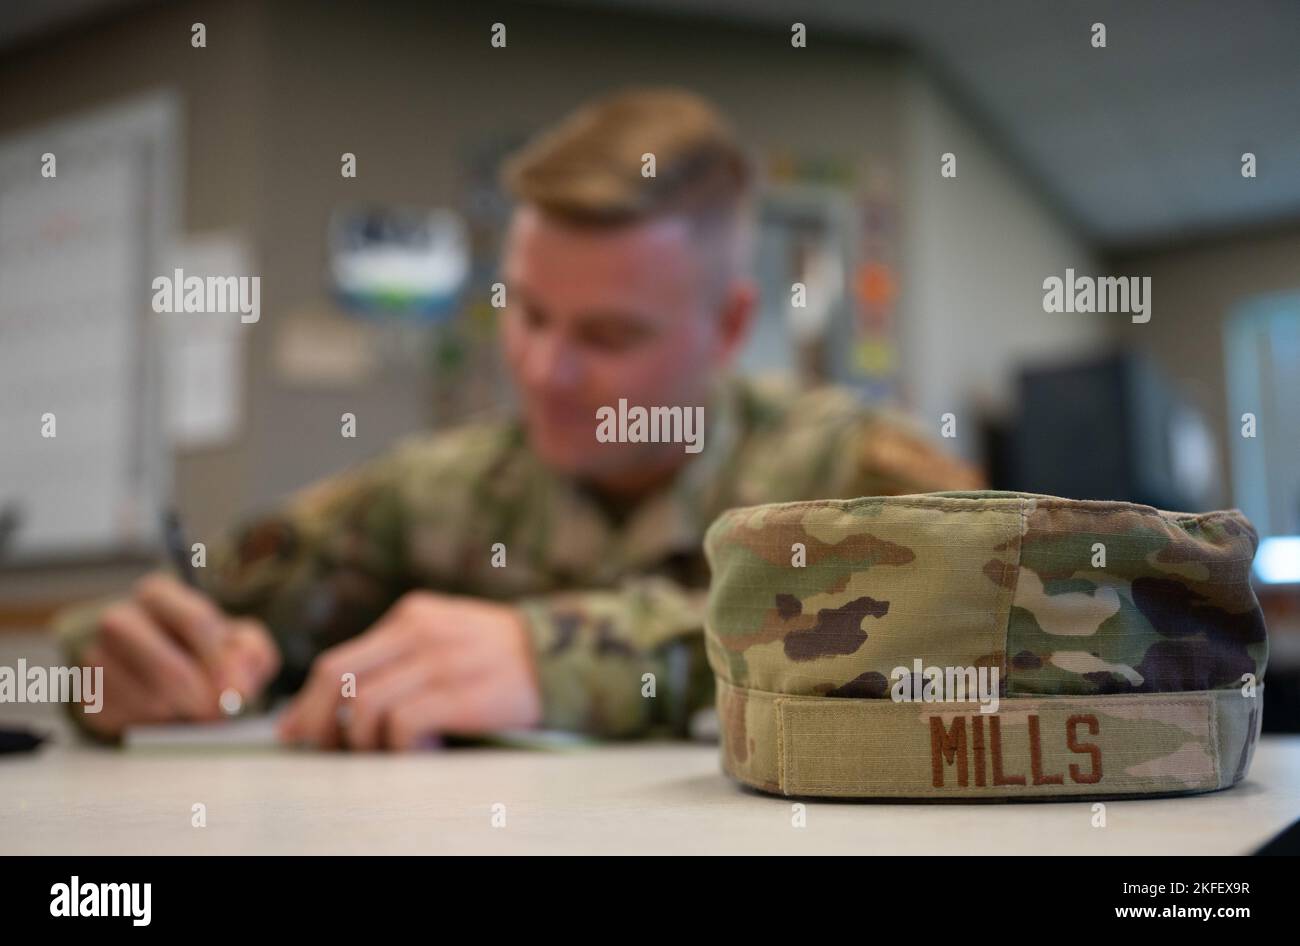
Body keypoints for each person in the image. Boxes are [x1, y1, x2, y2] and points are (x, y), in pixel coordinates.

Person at [56, 87, 982, 749]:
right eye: (529, 313)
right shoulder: (437, 490)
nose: (545, 369)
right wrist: (121, 667)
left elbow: (1007, 607)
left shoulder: (845, 467)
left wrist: (572, 659)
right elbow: (192, 607)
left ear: (729, 325)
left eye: (610, 334)